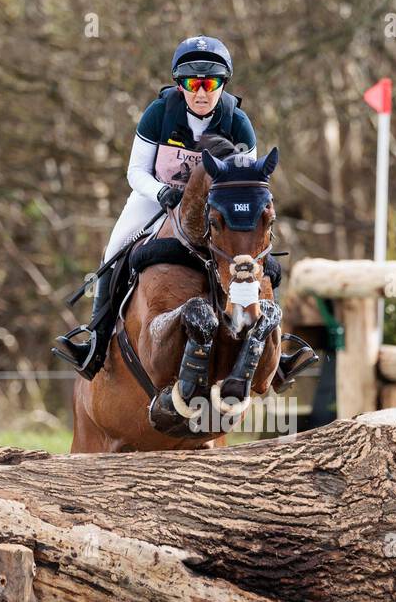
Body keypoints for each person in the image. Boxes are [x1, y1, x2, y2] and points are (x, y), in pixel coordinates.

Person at [53, 35, 257, 378]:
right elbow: (135, 172)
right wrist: (162, 192)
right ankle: (96, 341)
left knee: (252, 253)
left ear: (223, 84)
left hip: (212, 211)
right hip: (156, 200)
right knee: (112, 251)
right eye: (193, 83)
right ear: (181, 84)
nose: (202, 93)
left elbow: (245, 186)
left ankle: (270, 347)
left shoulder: (238, 123)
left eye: (211, 83)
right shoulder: (159, 114)